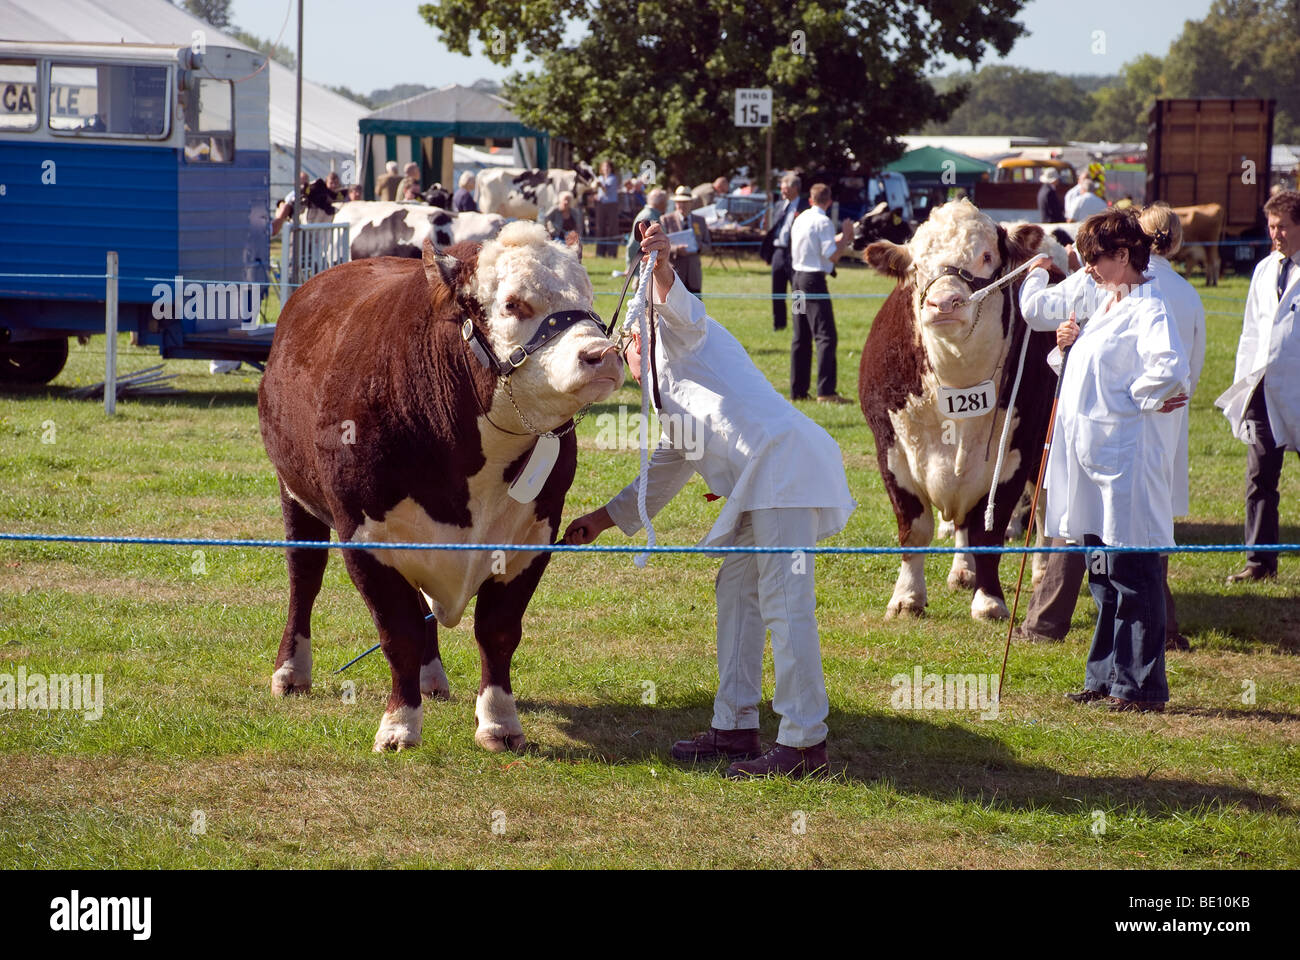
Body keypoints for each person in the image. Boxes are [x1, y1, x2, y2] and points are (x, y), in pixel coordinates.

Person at [564, 222, 856, 778]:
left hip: (783, 468)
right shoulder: (668, 391)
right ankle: (734, 727)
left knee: (785, 603)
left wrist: (663, 266)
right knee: (736, 591)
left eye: (623, 344)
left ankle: (802, 746)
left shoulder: (683, 335)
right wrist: (601, 520)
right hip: (760, 482)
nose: (620, 357)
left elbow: (685, 311)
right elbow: (667, 469)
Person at [1051, 210, 1189, 713]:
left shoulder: (1151, 308)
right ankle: (1104, 675)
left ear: (1125, 256)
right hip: (1092, 462)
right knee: (1103, 575)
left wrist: (1144, 397)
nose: (1088, 268)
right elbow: (1088, 368)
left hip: (1125, 460)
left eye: (1096, 259)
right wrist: (1067, 345)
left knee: (1134, 573)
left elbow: (1168, 370)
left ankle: (1140, 686)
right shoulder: (1109, 304)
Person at [1217, 189, 1300, 583]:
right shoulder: (1265, 269)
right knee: (1259, 477)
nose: (1276, 234)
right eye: (1271, 227)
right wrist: (1244, 385)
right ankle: (1259, 561)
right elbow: (1251, 331)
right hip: (1264, 392)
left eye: (1283, 226)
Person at [1140, 202, 1206, 648]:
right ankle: (1160, 619)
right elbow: (1195, 366)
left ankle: (1147, 620)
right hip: (1172, 416)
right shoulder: (1187, 294)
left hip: (1126, 417)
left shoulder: (1129, 289)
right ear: (1178, 242)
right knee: (1158, 518)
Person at [789, 182, 853, 403]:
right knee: (826, 336)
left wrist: (838, 239)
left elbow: (816, 247)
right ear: (830, 201)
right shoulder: (823, 221)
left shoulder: (801, 218)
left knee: (801, 336)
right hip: (814, 281)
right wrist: (846, 236)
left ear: (810, 200)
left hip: (796, 279)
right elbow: (832, 256)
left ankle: (797, 391)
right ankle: (826, 392)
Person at [762, 173, 807, 331]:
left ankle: (800, 323)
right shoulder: (780, 205)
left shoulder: (804, 207)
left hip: (796, 253)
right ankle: (779, 324)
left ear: (795, 188)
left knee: (798, 289)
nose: (781, 191)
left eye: (784, 188)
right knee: (777, 290)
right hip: (778, 253)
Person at [659, 185, 713, 294]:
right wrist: (676, 249)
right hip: (674, 273)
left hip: (694, 274)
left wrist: (699, 247)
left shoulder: (700, 221)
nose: (682, 205)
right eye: (679, 202)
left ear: (691, 203)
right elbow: (661, 245)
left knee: (695, 308)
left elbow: (708, 246)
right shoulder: (666, 220)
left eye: (685, 202)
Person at [625, 187, 667, 282]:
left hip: (646, 269)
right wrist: (631, 268)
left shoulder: (650, 215)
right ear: (661, 203)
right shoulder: (648, 217)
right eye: (666, 202)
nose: (667, 205)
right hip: (644, 272)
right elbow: (634, 245)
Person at [543, 190, 584, 259]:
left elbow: (578, 226)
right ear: (560, 200)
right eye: (565, 200)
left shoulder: (574, 212)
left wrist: (578, 235)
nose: (566, 202)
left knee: (578, 247)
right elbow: (545, 219)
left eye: (569, 200)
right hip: (557, 237)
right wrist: (550, 228)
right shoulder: (555, 210)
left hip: (571, 237)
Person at [594, 160, 620, 257]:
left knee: (612, 228)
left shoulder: (613, 178)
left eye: (608, 166)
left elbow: (605, 189)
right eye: (604, 166)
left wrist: (599, 184)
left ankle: (612, 252)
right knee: (600, 227)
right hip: (601, 205)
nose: (606, 168)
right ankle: (600, 252)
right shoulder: (600, 178)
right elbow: (600, 192)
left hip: (611, 205)